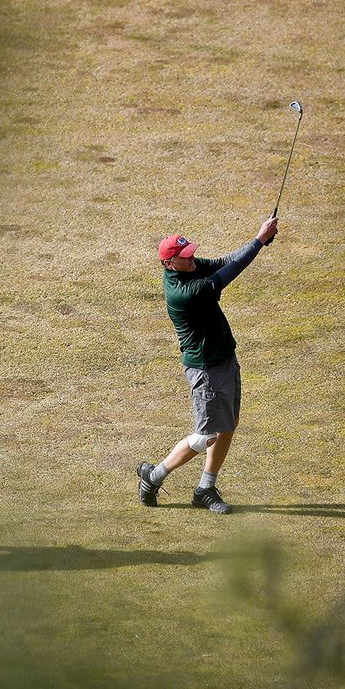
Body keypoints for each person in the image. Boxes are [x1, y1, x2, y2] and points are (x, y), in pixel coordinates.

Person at [136, 216, 280, 514]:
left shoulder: (190, 266)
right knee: (205, 436)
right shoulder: (185, 292)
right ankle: (154, 476)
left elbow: (225, 261)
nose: (192, 259)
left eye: (191, 253)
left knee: (228, 425)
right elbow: (229, 273)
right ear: (170, 264)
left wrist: (259, 241)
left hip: (224, 358)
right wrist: (258, 241)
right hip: (205, 369)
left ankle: (205, 488)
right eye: (185, 257)